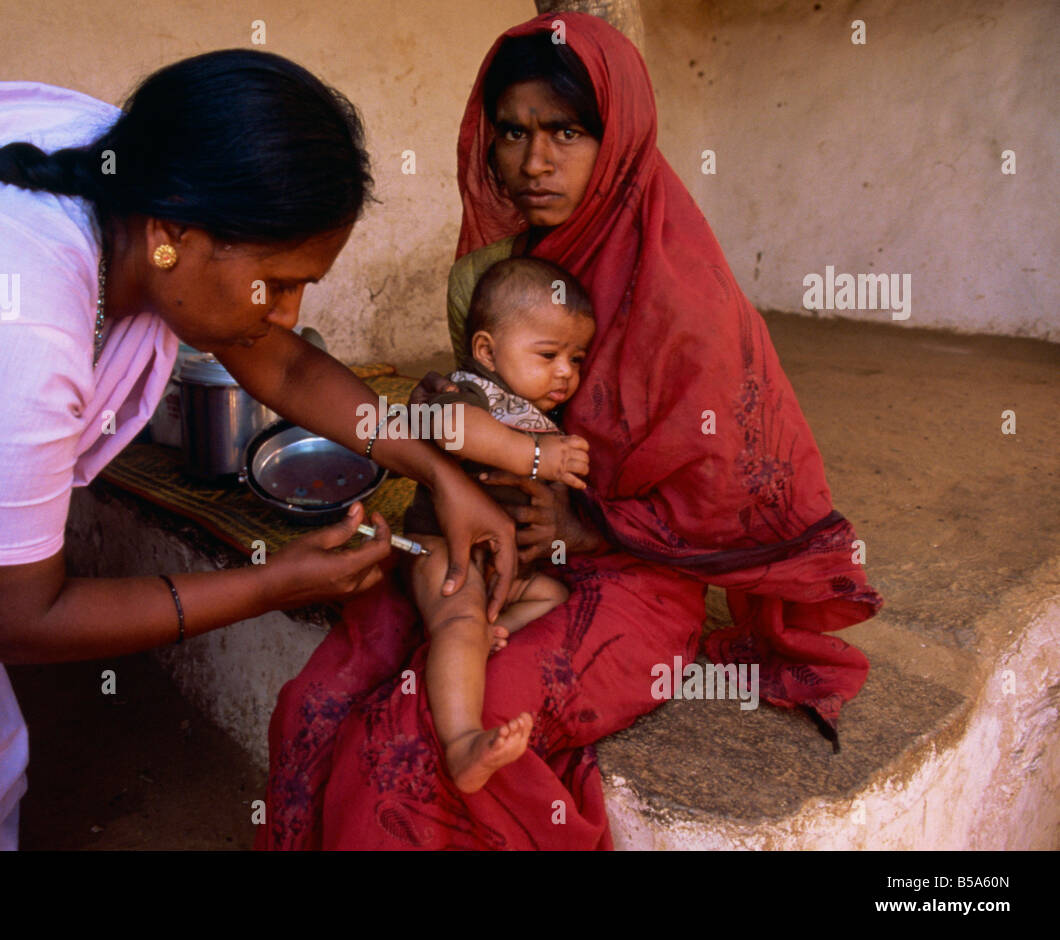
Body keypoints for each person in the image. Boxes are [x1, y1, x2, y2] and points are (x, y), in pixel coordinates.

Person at [0, 50, 517, 849]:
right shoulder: (13, 329)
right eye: (279, 282)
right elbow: (14, 615)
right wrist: (271, 583)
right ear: (169, 237)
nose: (290, 313)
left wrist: (432, 466)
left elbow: (282, 360)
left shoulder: (136, 172)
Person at [258, 13, 882, 850]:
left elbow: (737, 488)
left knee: (415, 740)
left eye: (567, 132)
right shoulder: (514, 266)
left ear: (618, 136)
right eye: (511, 132)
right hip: (500, 546)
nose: (531, 162)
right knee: (324, 698)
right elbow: (477, 411)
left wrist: (585, 524)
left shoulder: (679, 294)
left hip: (639, 575)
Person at [401, 256, 595, 793]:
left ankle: (485, 632)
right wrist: (537, 458)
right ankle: (463, 740)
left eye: (576, 358)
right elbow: (452, 430)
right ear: (487, 350)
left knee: (552, 597)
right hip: (444, 548)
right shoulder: (472, 390)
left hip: (503, 566)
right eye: (549, 354)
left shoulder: (539, 410)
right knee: (460, 616)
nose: (566, 372)